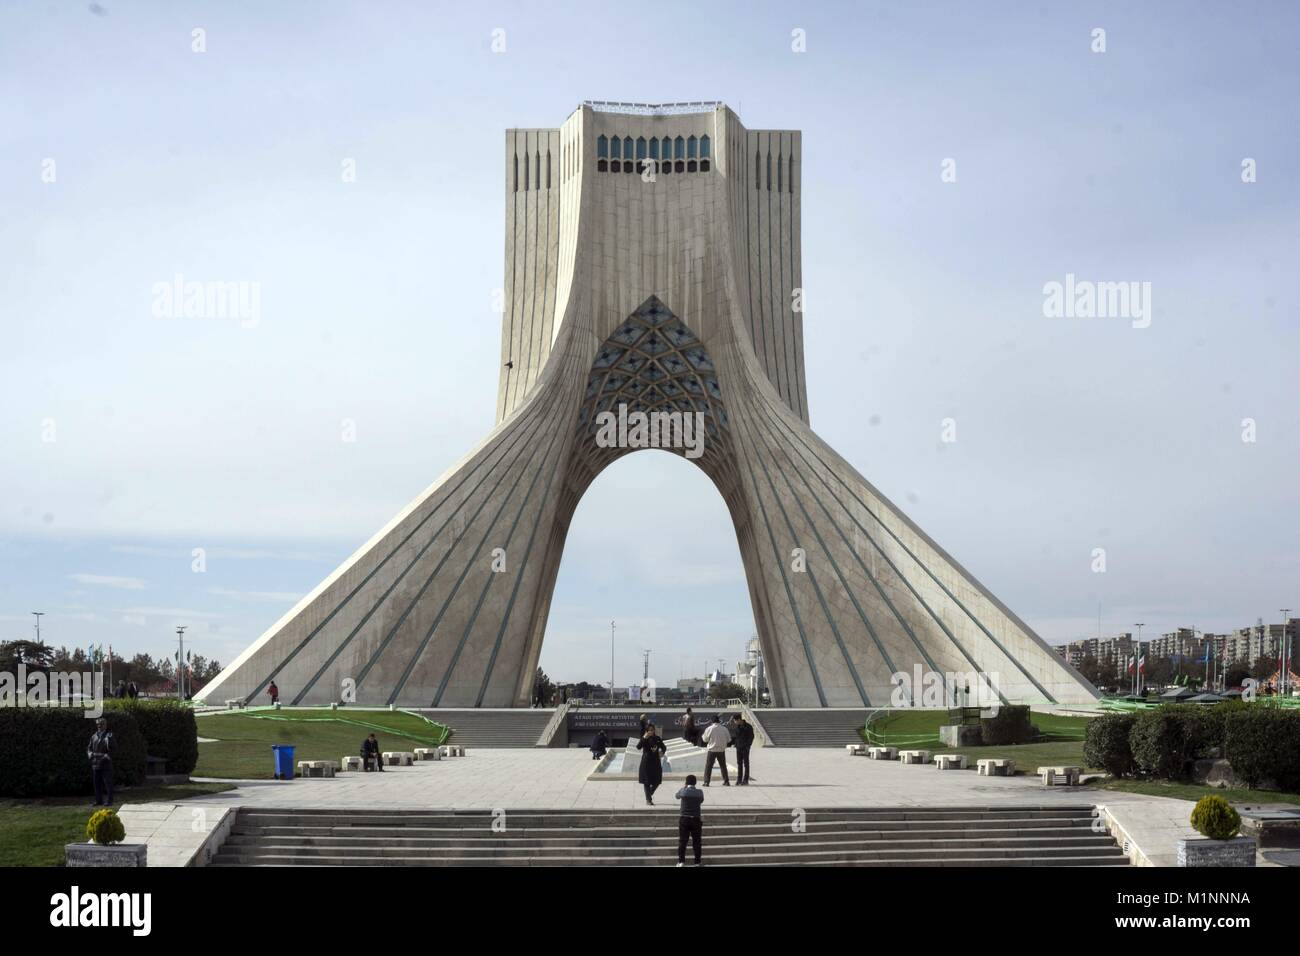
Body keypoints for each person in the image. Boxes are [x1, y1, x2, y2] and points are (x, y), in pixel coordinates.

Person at [675, 773, 704, 866]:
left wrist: (684, 787)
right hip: (696, 819)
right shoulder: (700, 792)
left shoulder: (683, 791)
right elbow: (701, 801)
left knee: (683, 841)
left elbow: (676, 796)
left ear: (686, 782)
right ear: (695, 783)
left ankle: (681, 861)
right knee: (697, 842)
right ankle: (697, 862)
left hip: (684, 819)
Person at [636, 722, 667, 805]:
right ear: (646, 731)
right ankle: (648, 800)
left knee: (657, 781)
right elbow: (638, 747)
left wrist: (662, 752)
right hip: (646, 762)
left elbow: (664, 747)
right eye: (649, 730)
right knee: (647, 782)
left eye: (652, 730)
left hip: (656, 762)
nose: (651, 731)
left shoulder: (657, 738)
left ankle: (649, 794)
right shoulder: (644, 738)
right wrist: (644, 738)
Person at [87, 717, 115, 806]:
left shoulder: (109, 736)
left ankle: (110, 801)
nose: (99, 726)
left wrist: (107, 756)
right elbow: (89, 748)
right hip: (95, 763)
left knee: (108, 783)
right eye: (98, 724)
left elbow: (113, 749)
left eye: (101, 724)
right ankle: (98, 800)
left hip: (105, 763)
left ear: (105, 725)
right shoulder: (94, 736)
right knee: (97, 783)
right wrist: (90, 754)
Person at [701, 714, 730, 786]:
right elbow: (729, 740)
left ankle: (706, 782)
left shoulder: (709, 729)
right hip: (721, 750)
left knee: (709, 766)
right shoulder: (724, 729)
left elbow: (705, 739)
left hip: (712, 750)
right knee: (723, 766)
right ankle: (726, 781)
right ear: (719, 721)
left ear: (712, 721)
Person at [729, 714, 754, 785]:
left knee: (746, 764)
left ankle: (745, 780)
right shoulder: (738, 727)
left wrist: (748, 746)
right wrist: (736, 744)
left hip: (745, 748)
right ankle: (739, 779)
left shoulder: (748, 727)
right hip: (738, 748)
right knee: (739, 764)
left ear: (739, 720)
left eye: (735, 721)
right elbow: (737, 737)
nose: (734, 722)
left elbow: (751, 737)